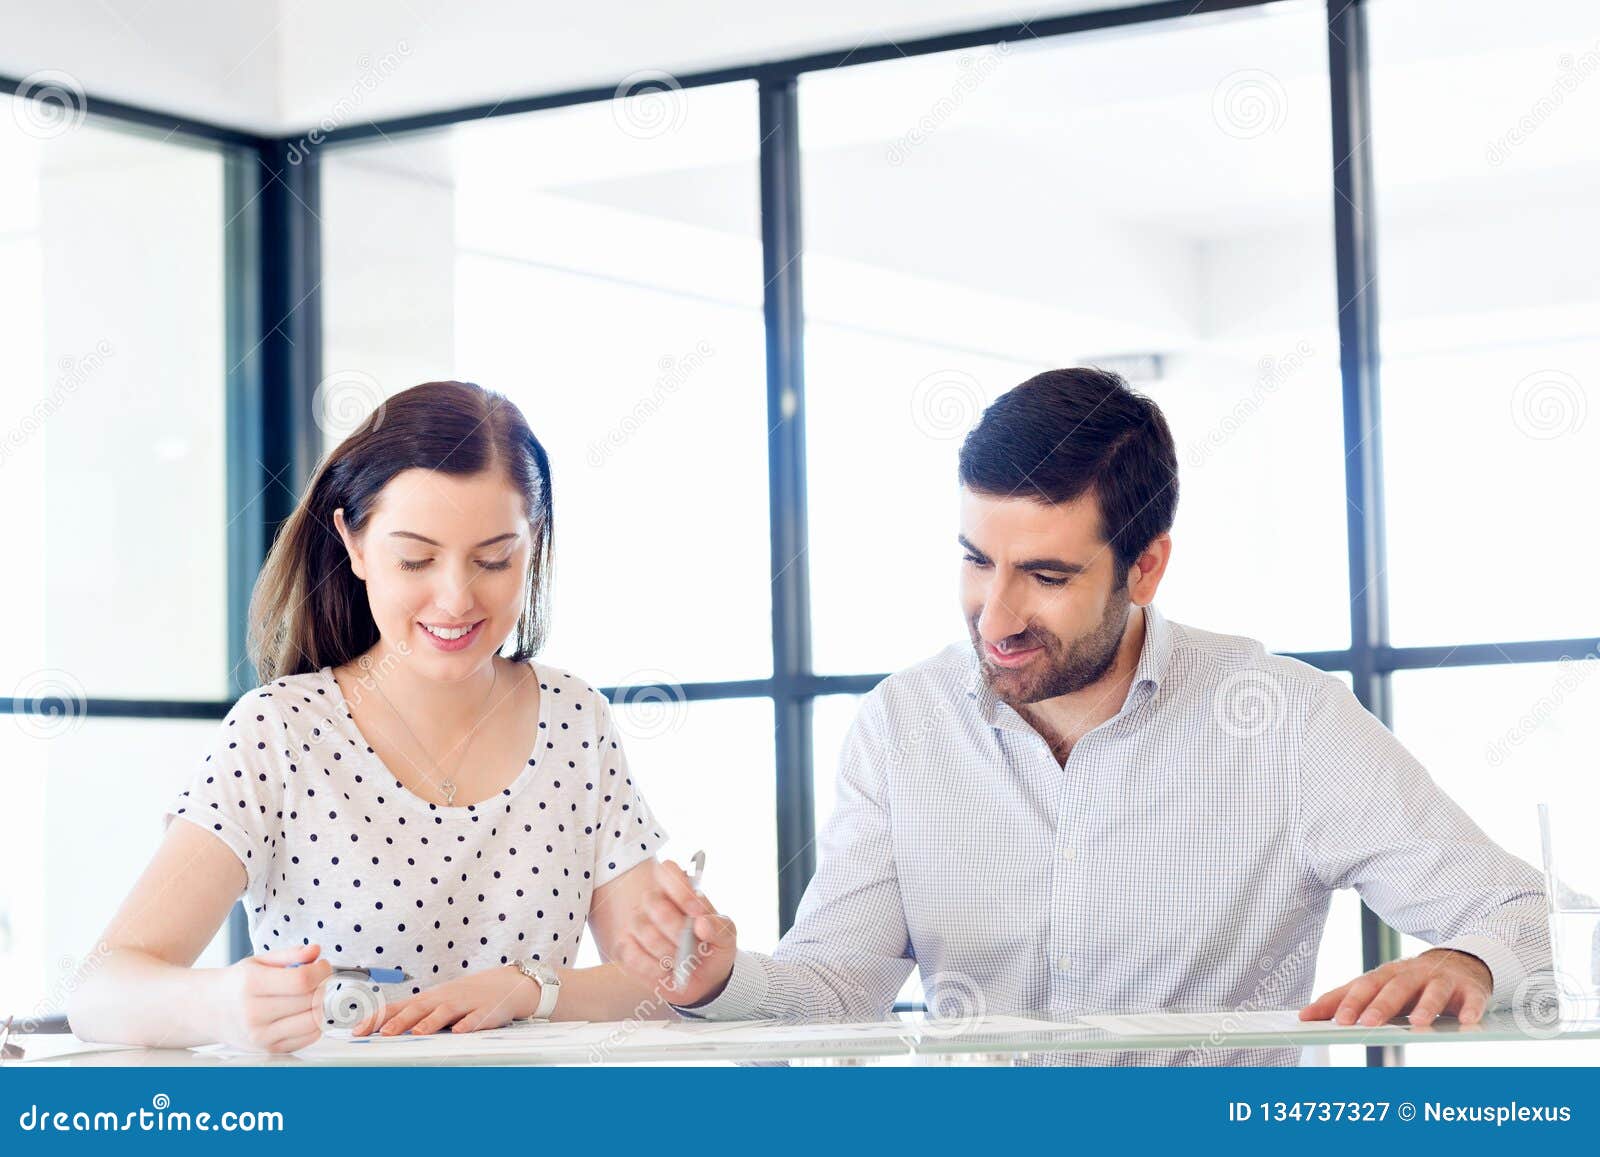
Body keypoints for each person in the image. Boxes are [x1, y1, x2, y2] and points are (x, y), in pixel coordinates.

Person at [616, 367, 1551, 1065]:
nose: (997, 615)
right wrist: (721, 979)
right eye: (977, 560)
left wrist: (1470, 959)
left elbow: (1523, 913)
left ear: (1146, 566)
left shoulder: (1286, 724)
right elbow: (834, 987)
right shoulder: (903, 727)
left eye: (1047, 576)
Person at [70, 381, 673, 1053]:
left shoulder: (575, 721)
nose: (456, 598)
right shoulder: (281, 733)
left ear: (533, 546)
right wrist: (221, 1004)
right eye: (415, 557)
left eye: (494, 559)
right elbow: (99, 991)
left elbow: (659, 983)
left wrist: (528, 988)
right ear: (353, 545)